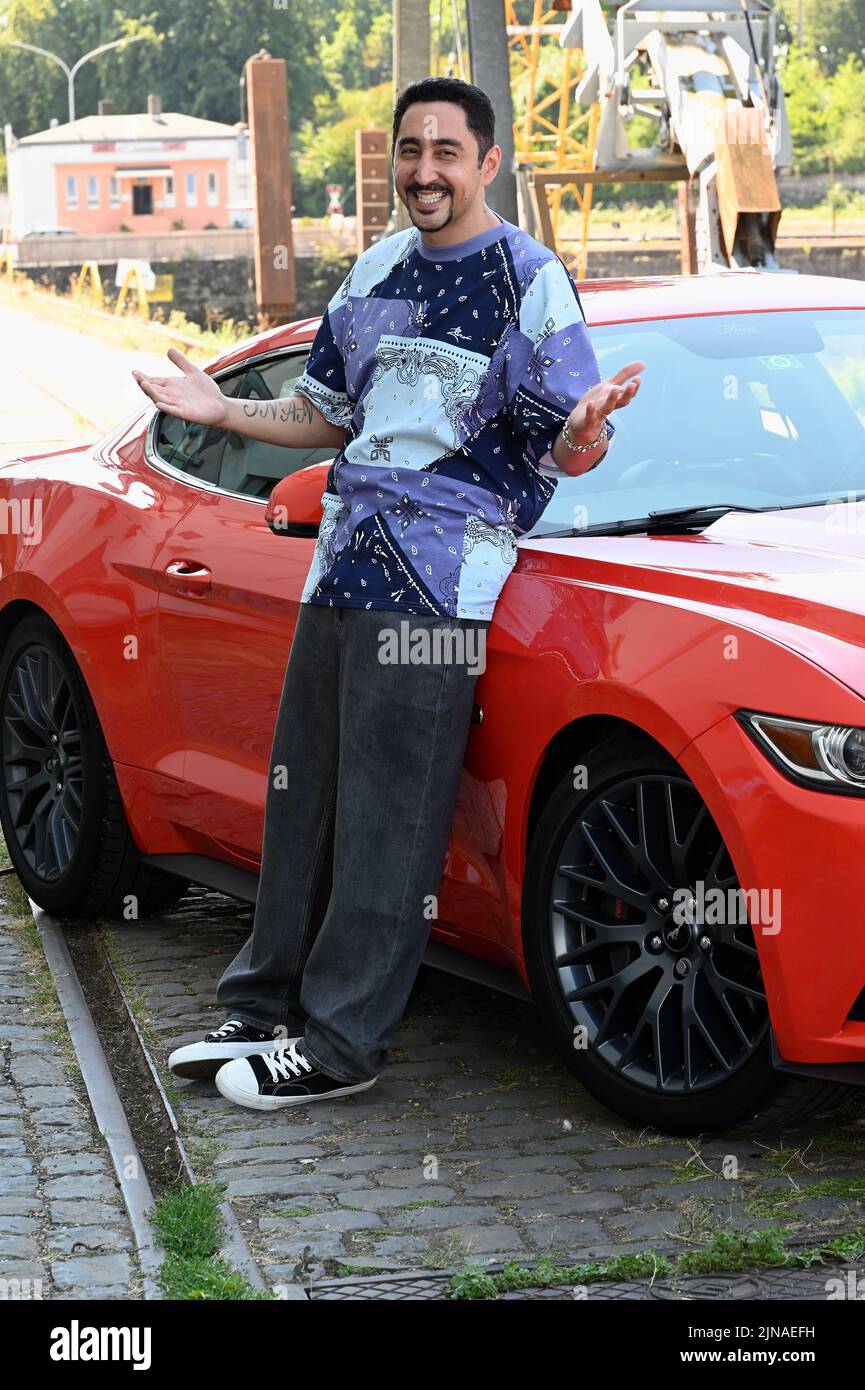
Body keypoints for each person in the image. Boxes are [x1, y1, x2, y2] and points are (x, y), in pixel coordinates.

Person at [131, 76, 644, 1112]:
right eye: (410, 150)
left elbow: (565, 442)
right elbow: (322, 411)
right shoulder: (371, 270)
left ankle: (340, 1042)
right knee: (303, 793)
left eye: (445, 152)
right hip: (342, 561)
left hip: (443, 583)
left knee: (389, 817)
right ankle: (266, 1004)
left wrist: (584, 433)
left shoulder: (530, 280)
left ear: (487, 162)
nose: (423, 171)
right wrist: (219, 409)